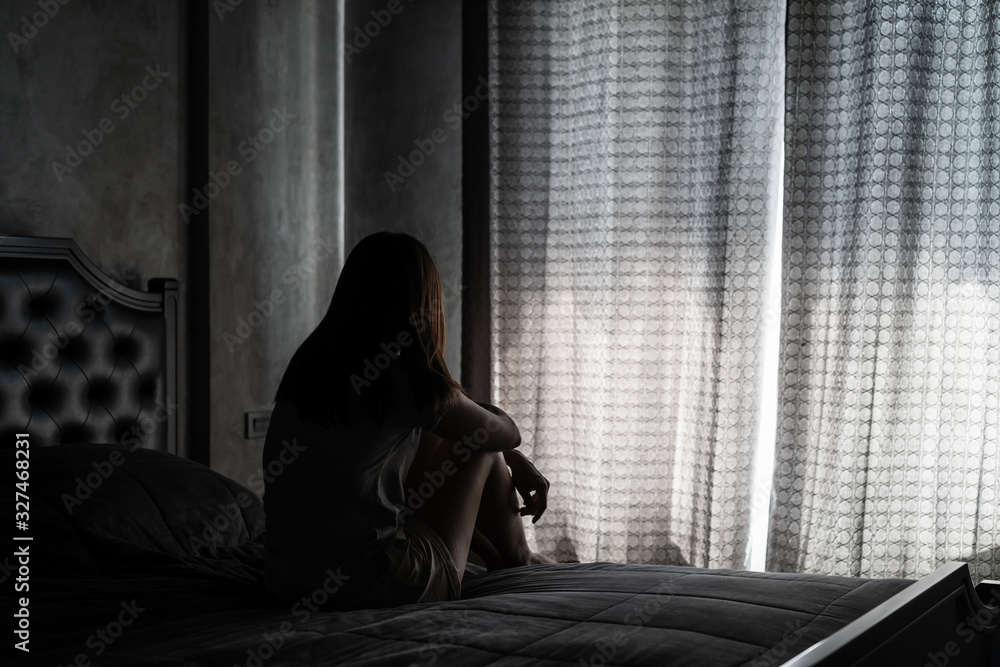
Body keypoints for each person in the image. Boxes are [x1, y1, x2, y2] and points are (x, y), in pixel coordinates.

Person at [261, 231, 554, 610]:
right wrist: (509, 453)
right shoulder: (404, 378)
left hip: (287, 581)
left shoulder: (310, 366)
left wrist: (508, 454)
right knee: (482, 448)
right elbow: (505, 433)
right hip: (370, 585)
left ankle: (501, 561)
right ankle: (520, 557)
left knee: (438, 441)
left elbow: (456, 429)